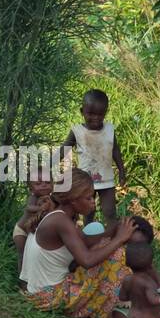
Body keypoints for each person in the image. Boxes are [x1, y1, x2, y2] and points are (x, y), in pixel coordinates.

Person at [20, 169, 137, 318]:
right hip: (47, 296)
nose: (93, 202)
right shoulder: (60, 221)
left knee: (106, 246)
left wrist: (111, 233)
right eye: (89, 198)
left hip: (39, 290)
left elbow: (83, 239)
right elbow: (87, 260)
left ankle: (102, 313)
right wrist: (119, 239)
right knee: (115, 257)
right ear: (74, 200)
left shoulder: (59, 215)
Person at [63, 89, 126, 229]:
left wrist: (122, 170)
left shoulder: (109, 129)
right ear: (82, 111)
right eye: (91, 114)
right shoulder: (77, 131)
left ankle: (113, 238)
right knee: (88, 212)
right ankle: (88, 237)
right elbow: (65, 148)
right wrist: (51, 163)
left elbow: (115, 150)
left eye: (100, 114)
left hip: (106, 179)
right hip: (86, 182)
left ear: (106, 112)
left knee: (109, 211)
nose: (96, 118)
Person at [12, 167, 55, 264]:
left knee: (32, 255)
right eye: (38, 184)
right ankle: (22, 278)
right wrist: (41, 208)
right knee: (23, 255)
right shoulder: (34, 198)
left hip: (34, 232)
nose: (44, 185)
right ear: (31, 188)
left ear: (53, 184)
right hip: (22, 232)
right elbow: (29, 208)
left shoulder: (52, 198)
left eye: (47, 182)